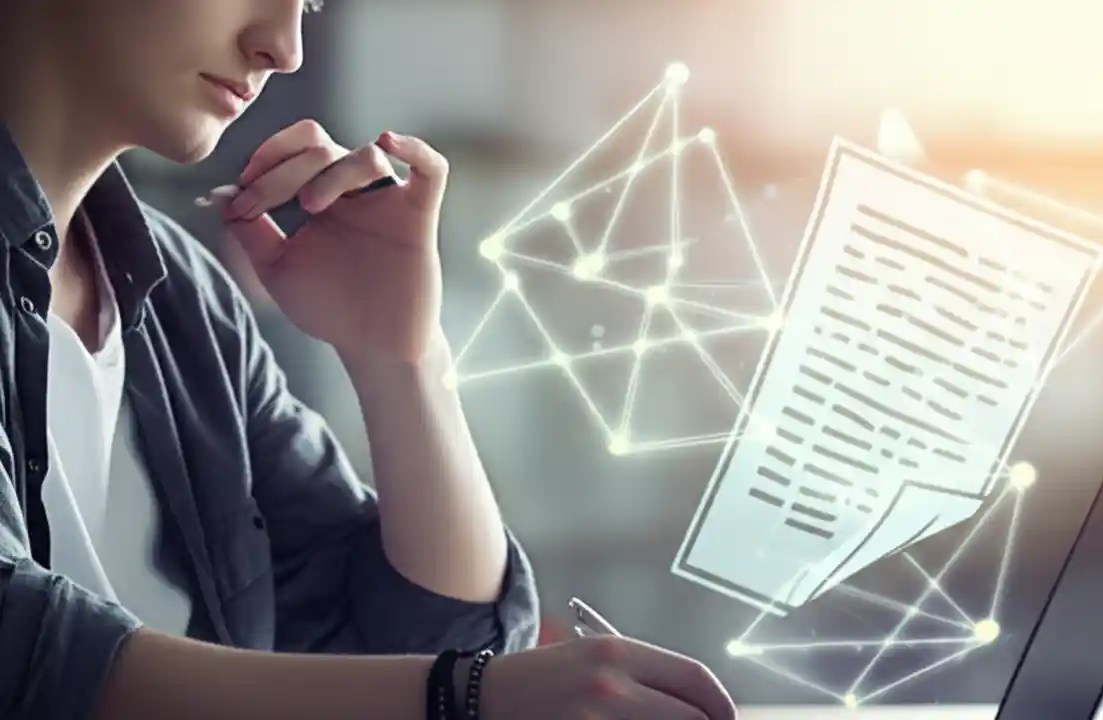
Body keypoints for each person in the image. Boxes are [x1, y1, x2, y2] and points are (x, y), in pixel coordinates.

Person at [0, 1, 737, 718]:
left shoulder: (184, 301)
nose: (284, 48)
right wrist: (466, 696)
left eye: (311, 4)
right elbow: (20, 646)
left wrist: (404, 360)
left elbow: (426, 645)